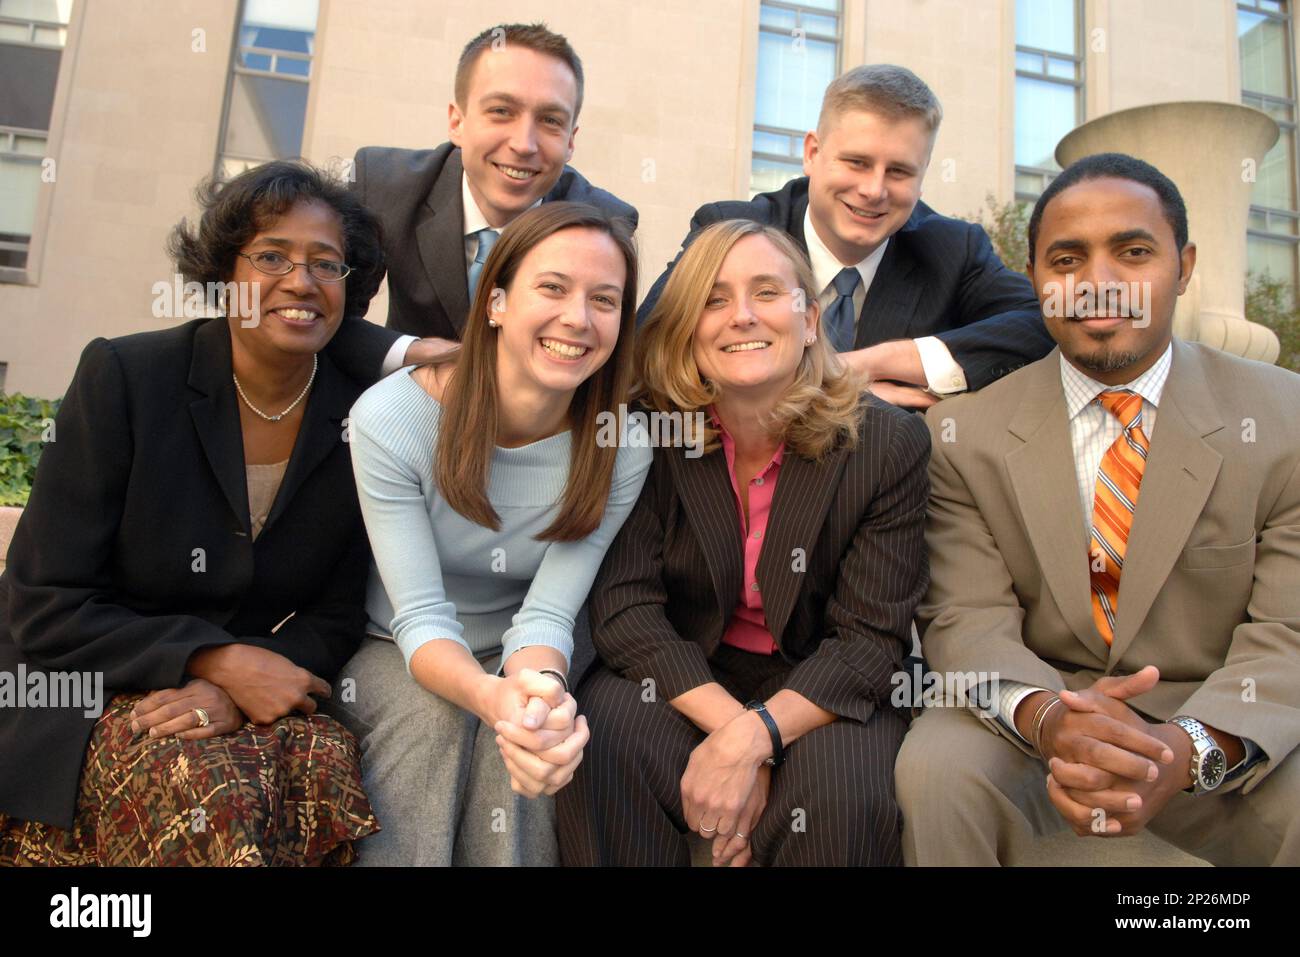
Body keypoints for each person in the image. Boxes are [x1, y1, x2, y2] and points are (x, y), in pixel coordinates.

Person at [895, 153, 1300, 865]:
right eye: (1067, 258)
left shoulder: (1283, 418)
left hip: (1217, 729)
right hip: (1042, 721)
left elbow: (1288, 632)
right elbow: (966, 620)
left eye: (1134, 251)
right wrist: (1052, 721)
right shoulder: (963, 436)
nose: (1098, 282)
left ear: (1185, 264)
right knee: (937, 767)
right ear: (1037, 281)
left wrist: (1187, 748)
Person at [0, 161, 383, 866]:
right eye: (271, 256)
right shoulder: (127, 378)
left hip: (235, 693)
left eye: (326, 263)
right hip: (88, 686)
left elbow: (337, 613)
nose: (300, 281)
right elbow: (43, 601)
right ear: (223, 272)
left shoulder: (365, 417)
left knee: (326, 769)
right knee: (206, 786)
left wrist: (240, 683)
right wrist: (213, 659)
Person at [558, 219, 930, 866]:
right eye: (714, 298)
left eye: (766, 292)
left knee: (843, 787)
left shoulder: (886, 444)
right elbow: (626, 610)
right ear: (688, 328)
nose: (741, 317)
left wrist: (760, 736)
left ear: (810, 318)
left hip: (820, 679)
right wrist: (738, 733)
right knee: (607, 726)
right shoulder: (651, 430)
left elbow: (869, 640)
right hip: (692, 667)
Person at [331, 201, 651, 866]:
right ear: (497, 302)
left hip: (535, 644)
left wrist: (531, 698)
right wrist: (489, 697)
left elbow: (548, 612)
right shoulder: (390, 420)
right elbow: (418, 614)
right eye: (553, 288)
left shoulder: (622, 443)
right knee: (437, 720)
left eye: (604, 299)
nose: (578, 318)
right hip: (397, 641)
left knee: (532, 736)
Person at [639, 64, 1054, 409]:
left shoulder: (953, 250)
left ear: (923, 175)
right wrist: (829, 384)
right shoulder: (730, 232)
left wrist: (878, 361)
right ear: (812, 153)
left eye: (899, 171)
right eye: (857, 162)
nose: (874, 190)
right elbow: (648, 351)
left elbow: (1047, 321)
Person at [348, 21, 637, 371]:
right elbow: (327, 322)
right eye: (502, 111)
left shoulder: (602, 222)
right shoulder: (383, 184)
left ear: (571, 140)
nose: (523, 144)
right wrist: (411, 351)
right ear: (457, 122)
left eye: (549, 120)